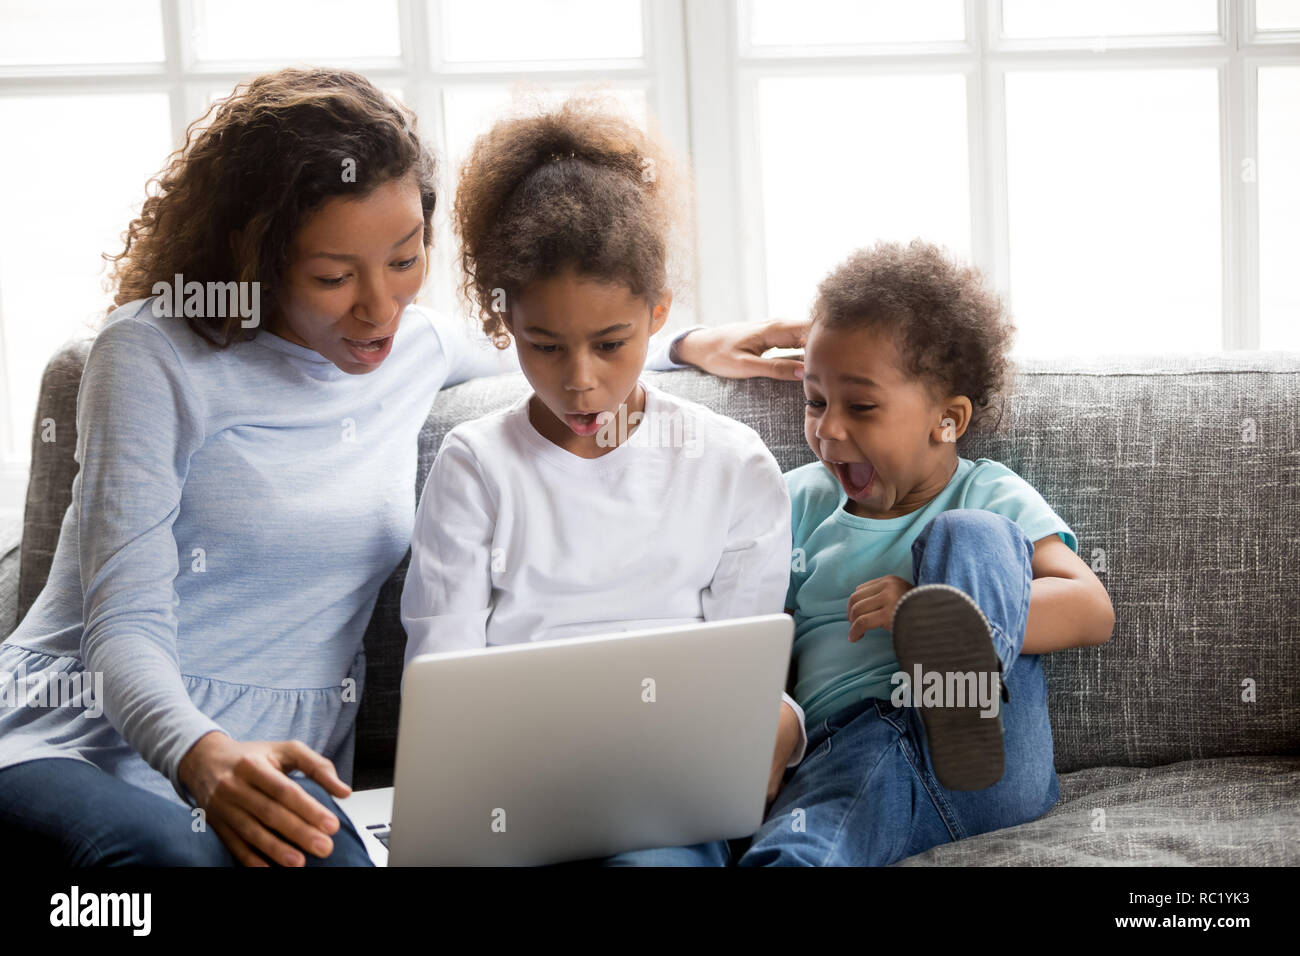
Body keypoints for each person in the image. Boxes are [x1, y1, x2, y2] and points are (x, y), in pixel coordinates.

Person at [0, 67, 804, 867]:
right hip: (81, 736)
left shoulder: (408, 347)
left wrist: (689, 344)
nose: (379, 307)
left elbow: (557, 330)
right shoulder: (150, 355)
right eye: (332, 277)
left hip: (287, 763)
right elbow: (123, 623)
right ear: (256, 254)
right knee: (156, 857)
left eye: (405, 259)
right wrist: (200, 756)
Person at [399, 93, 807, 867]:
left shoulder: (734, 466)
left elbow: (737, 687)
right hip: (503, 803)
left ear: (657, 315)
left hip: (664, 814)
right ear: (503, 324)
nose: (581, 383)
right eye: (544, 346)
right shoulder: (475, 467)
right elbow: (443, 688)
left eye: (611, 343)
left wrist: (766, 731)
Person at [737, 240, 1115, 866]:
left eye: (860, 406)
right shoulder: (795, 502)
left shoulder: (987, 489)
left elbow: (1090, 608)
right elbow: (758, 639)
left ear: (948, 419)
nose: (828, 428)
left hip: (994, 747)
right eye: (815, 400)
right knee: (807, 842)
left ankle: (957, 677)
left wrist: (925, 610)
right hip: (850, 746)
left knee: (973, 534)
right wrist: (771, 719)